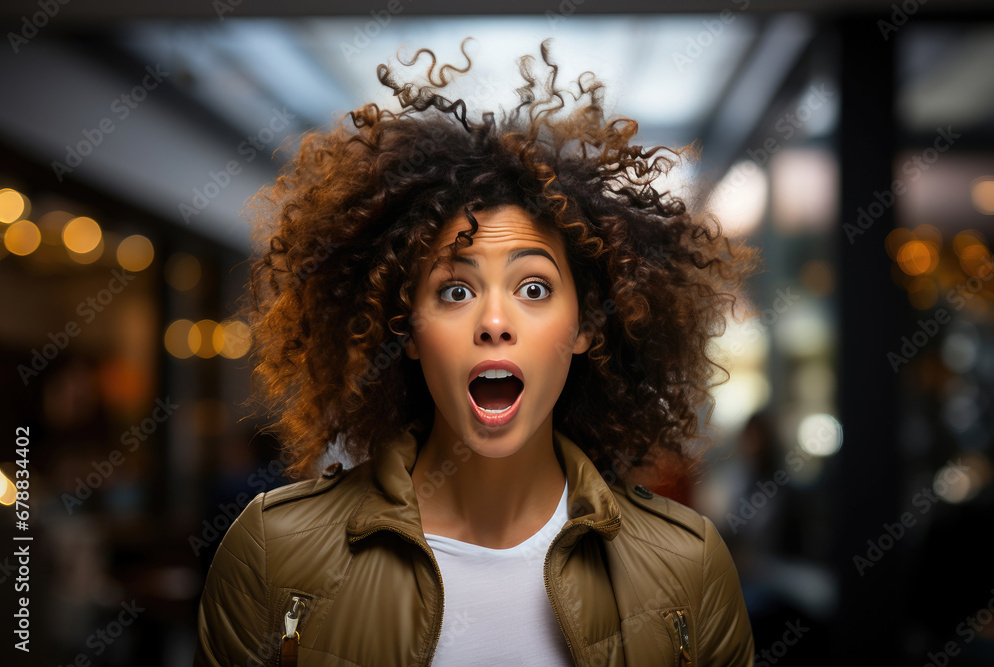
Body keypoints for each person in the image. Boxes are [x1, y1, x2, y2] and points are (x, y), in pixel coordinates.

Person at [195, 38, 756, 666]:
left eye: (534, 288)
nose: (494, 321)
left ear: (587, 327)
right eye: (456, 289)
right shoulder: (274, 552)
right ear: (406, 328)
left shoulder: (690, 567)